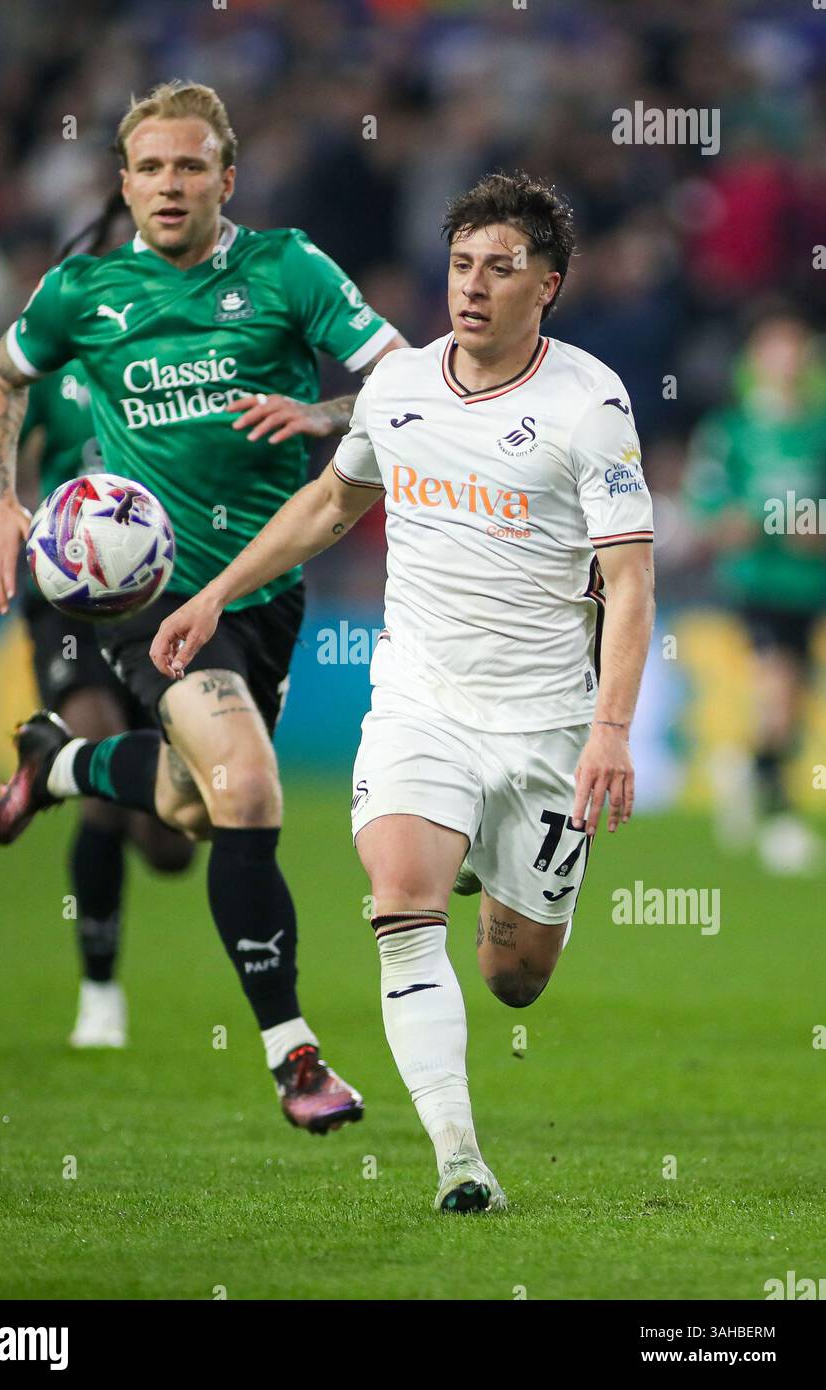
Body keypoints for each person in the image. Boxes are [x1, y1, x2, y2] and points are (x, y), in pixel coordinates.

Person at [147, 171, 656, 1212]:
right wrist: (214, 595)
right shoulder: (400, 388)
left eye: (499, 268)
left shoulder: (591, 404)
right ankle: (460, 1160)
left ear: (546, 285)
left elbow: (634, 578)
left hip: (548, 722)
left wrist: (609, 730)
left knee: (517, 975)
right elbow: (332, 502)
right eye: (462, 263)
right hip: (420, 700)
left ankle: (489, 872)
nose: (471, 286)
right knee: (401, 900)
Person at [0, 80, 407, 1134]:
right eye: (152, 168)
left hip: (263, 586)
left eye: (192, 165)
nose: (172, 184)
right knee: (250, 787)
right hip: (142, 587)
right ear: (124, 182)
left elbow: (408, 383)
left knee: (189, 806)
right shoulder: (84, 290)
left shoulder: (286, 268)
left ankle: (62, 764)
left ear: (227, 176)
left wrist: (321, 408)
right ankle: (295, 1059)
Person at [0, 191, 195, 1049]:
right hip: (72, 602)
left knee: (172, 845)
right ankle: (100, 997)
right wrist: (3, 501)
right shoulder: (48, 371)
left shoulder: (181, 359)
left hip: (171, 595)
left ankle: (72, 769)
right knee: (98, 790)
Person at [684, 306, 826, 874]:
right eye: (776, 346)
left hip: (808, 585)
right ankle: (780, 813)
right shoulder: (731, 430)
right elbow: (711, 514)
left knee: (789, 699)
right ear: (756, 359)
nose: (787, 358)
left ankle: (747, 770)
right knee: (778, 684)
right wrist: (770, 523)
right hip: (757, 583)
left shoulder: (817, 428)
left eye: (796, 347)